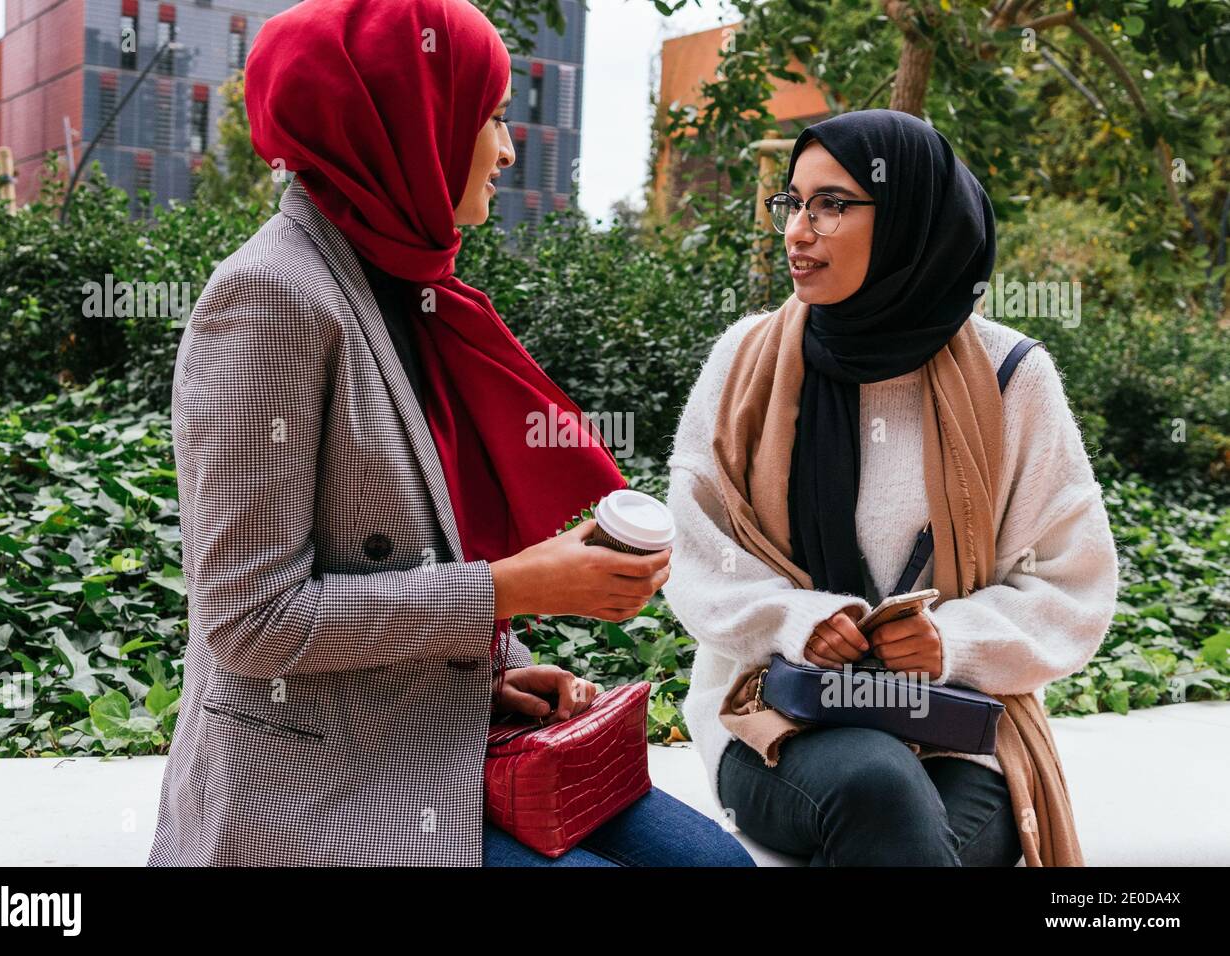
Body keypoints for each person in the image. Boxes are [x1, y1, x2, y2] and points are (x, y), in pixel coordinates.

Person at [146, 0, 752, 868]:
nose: (507, 151)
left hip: (436, 731)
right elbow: (250, 621)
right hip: (314, 786)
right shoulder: (273, 297)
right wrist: (507, 589)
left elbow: (407, 539)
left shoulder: (400, 277)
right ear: (409, 118)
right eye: (494, 117)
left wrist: (494, 669)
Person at [661, 109, 1119, 866]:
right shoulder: (745, 361)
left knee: (908, 831)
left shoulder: (1012, 378)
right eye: (793, 203)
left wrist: (951, 641)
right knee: (880, 788)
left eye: (831, 204)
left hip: (958, 731)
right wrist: (798, 621)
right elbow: (696, 548)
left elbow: (1074, 583)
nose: (797, 231)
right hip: (776, 719)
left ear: (910, 218)